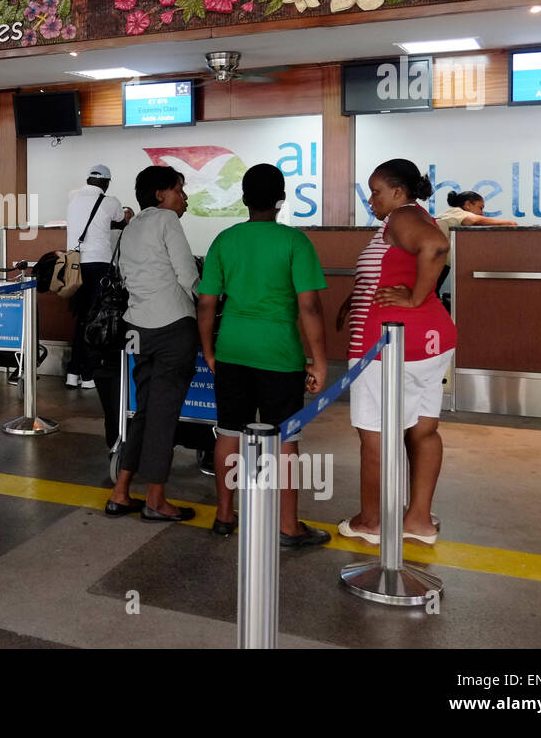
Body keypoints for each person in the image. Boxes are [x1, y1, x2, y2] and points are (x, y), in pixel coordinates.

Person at [196, 164, 330, 547]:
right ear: (281, 200)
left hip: (232, 351)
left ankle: (224, 515)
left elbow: (206, 304)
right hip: (279, 355)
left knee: (228, 431)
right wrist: (319, 361)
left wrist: (208, 350)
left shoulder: (225, 239)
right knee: (285, 438)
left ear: (243, 199)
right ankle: (288, 525)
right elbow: (310, 308)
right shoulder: (295, 242)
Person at [338, 159, 456, 546]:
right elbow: (392, 270)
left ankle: (371, 521)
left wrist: (416, 297)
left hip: (387, 346)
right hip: (430, 341)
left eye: (375, 191)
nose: (370, 199)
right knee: (423, 431)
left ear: (399, 192)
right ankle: (418, 520)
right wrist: (355, 300)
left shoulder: (403, 216)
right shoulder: (411, 215)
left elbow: (436, 245)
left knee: (375, 437)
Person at [104, 165, 197, 521]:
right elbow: (188, 275)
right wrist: (210, 301)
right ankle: (156, 500)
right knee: (164, 414)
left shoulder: (132, 226)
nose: (184, 198)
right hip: (172, 326)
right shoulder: (166, 220)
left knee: (143, 411)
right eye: (180, 190)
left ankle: (121, 491)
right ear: (161, 194)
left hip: (137, 327)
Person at [65, 164, 132, 389]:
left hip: (74, 265)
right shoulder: (110, 201)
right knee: (96, 319)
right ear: (105, 182)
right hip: (99, 264)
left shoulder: (73, 198)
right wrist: (128, 214)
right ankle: (88, 375)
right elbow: (122, 221)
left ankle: (72, 373)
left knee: (82, 317)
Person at [433, 191, 517, 294]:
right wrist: (507, 222)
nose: (482, 213)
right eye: (480, 208)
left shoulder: (449, 215)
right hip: (433, 262)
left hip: (438, 261)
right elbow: (474, 220)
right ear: (468, 205)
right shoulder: (456, 212)